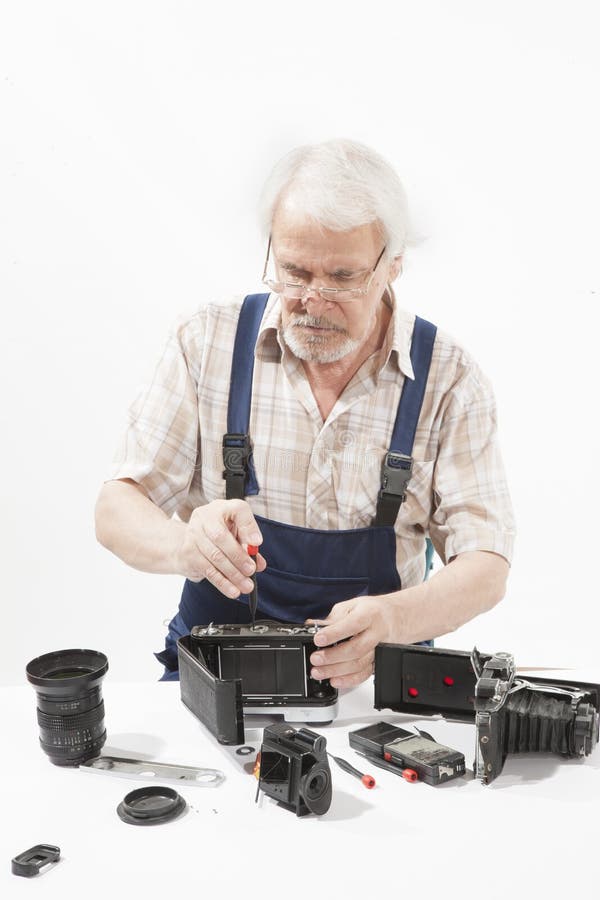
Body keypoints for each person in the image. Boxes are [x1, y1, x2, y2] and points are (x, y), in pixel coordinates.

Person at [95, 138, 515, 686]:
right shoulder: (206, 343)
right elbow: (114, 509)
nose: (314, 301)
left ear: (393, 265)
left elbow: (486, 565)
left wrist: (396, 618)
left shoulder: (449, 378)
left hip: (374, 688)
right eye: (295, 272)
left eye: (342, 278)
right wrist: (185, 545)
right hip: (216, 679)